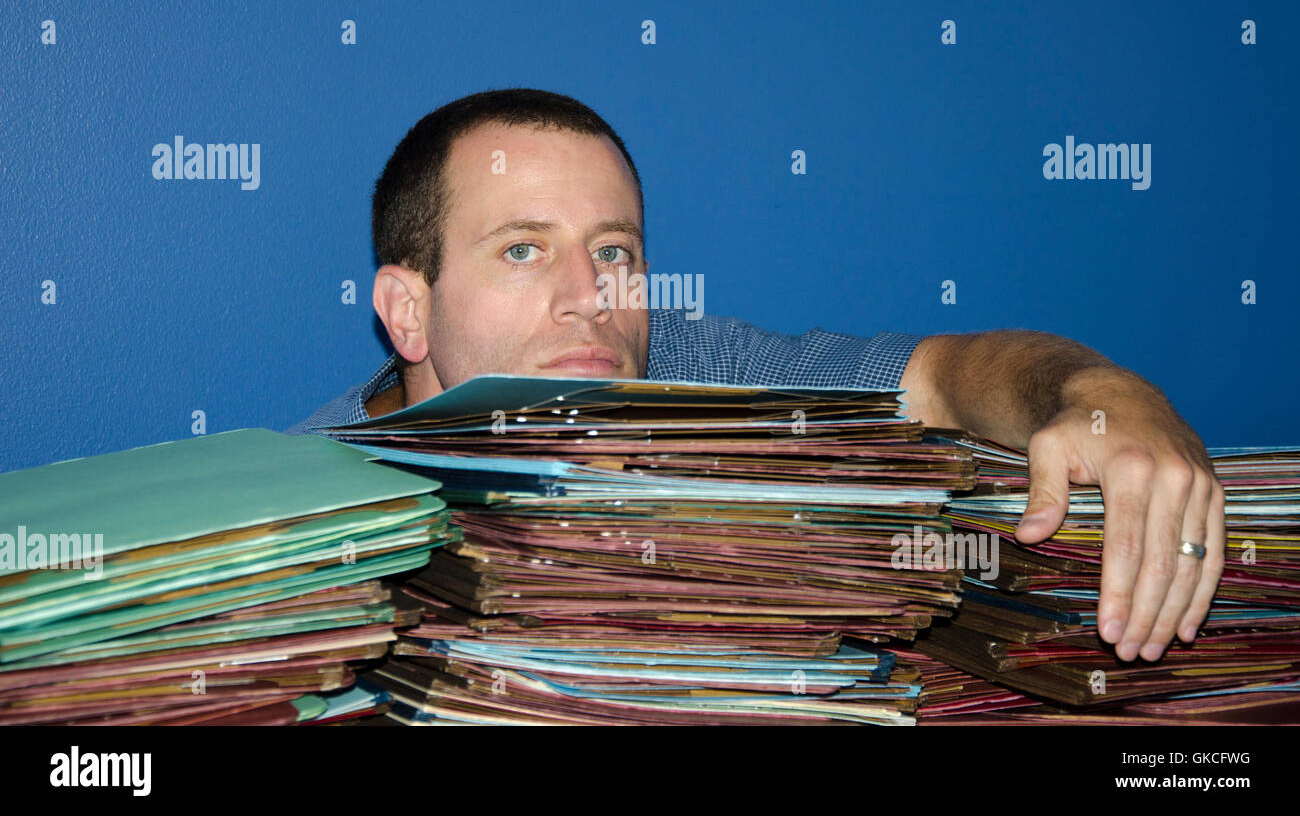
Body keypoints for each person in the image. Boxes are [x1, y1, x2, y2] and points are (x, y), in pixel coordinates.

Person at [288, 87, 1224, 666]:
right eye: (525, 248)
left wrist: (1108, 401)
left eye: (614, 249)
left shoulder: (703, 377)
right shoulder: (283, 521)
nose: (593, 297)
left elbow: (945, 375)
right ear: (407, 309)